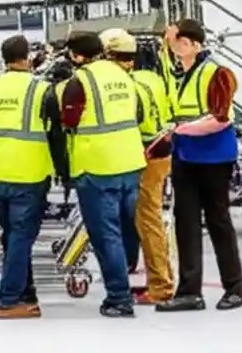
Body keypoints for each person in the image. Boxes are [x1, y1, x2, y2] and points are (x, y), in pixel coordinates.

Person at [0, 35, 66, 319]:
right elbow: (57, 136)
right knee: (21, 238)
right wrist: (64, 171)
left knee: (12, 235)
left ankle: (25, 293)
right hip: (30, 175)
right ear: (27, 57)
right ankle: (9, 300)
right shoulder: (42, 90)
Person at [155, 19, 242, 313]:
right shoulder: (177, 72)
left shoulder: (217, 73)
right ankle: (189, 291)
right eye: (173, 42)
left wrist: (181, 130)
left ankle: (234, 287)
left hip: (214, 155)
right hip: (185, 156)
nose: (174, 46)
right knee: (186, 223)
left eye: (179, 41)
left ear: (194, 44)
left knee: (218, 220)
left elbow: (221, 118)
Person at [60, 30, 147, 318]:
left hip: (96, 165)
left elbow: (68, 120)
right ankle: (129, 273)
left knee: (105, 234)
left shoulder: (79, 81)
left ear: (77, 56)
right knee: (126, 226)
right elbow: (139, 114)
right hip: (130, 162)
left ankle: (119, 298)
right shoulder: (124, 75)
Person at [99, 28, 177, 306]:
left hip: (146, 155)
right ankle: (159, 278)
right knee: (149, 220)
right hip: (162, 151)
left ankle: (161, 286)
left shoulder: (128, 84)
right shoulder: (155, 78)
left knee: (148, 222)